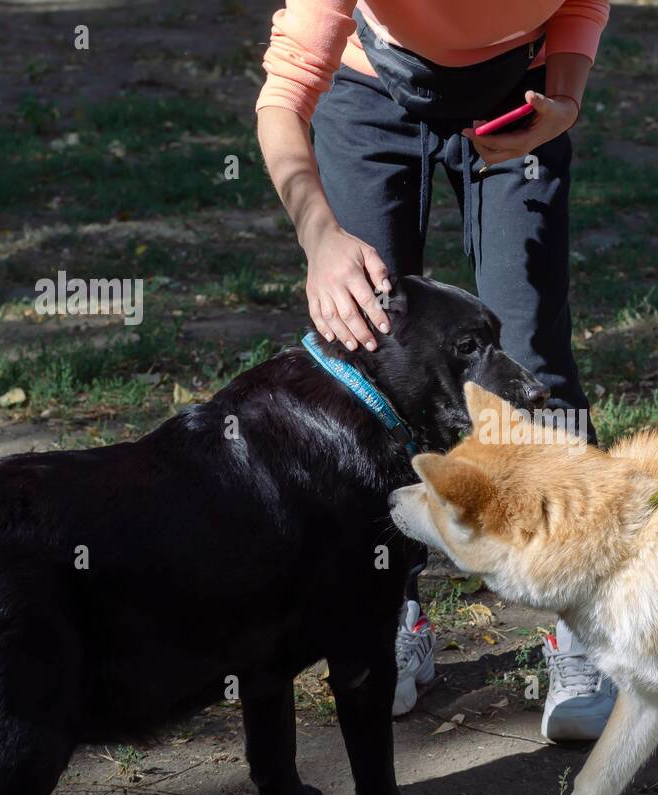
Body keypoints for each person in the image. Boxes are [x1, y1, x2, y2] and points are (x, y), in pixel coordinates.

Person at [256, 1, 616, 741]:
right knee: (370, 361)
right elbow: (284, 96)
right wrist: (319, 235)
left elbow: (582, 3)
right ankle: (391, 607)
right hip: (368, 93)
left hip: (518, 97)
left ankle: (580, 621)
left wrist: (566, 98)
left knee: (530, 355)